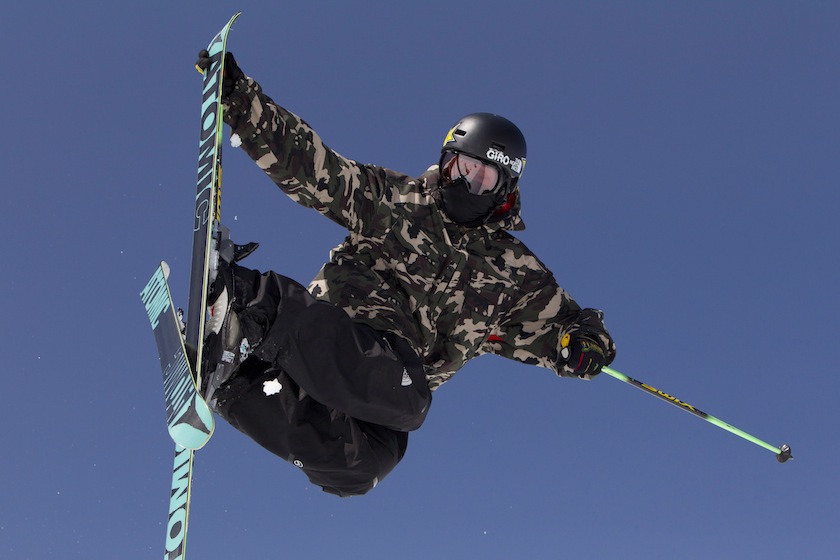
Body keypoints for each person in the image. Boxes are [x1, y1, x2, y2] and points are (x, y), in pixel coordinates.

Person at [195, 51, 616, 497]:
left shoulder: (514, 276)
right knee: (410, 399)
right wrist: (241, 102)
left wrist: (585, 346)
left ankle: (230, 379)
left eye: (482, 179)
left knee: (362, 468)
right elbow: (318, 171)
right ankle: (249, 300)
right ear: (445, 160)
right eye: (461, 168)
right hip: (350, 330)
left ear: (506, 191)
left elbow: (564, 330)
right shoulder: (399, 204)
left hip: (378, 391)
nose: (466, 184)